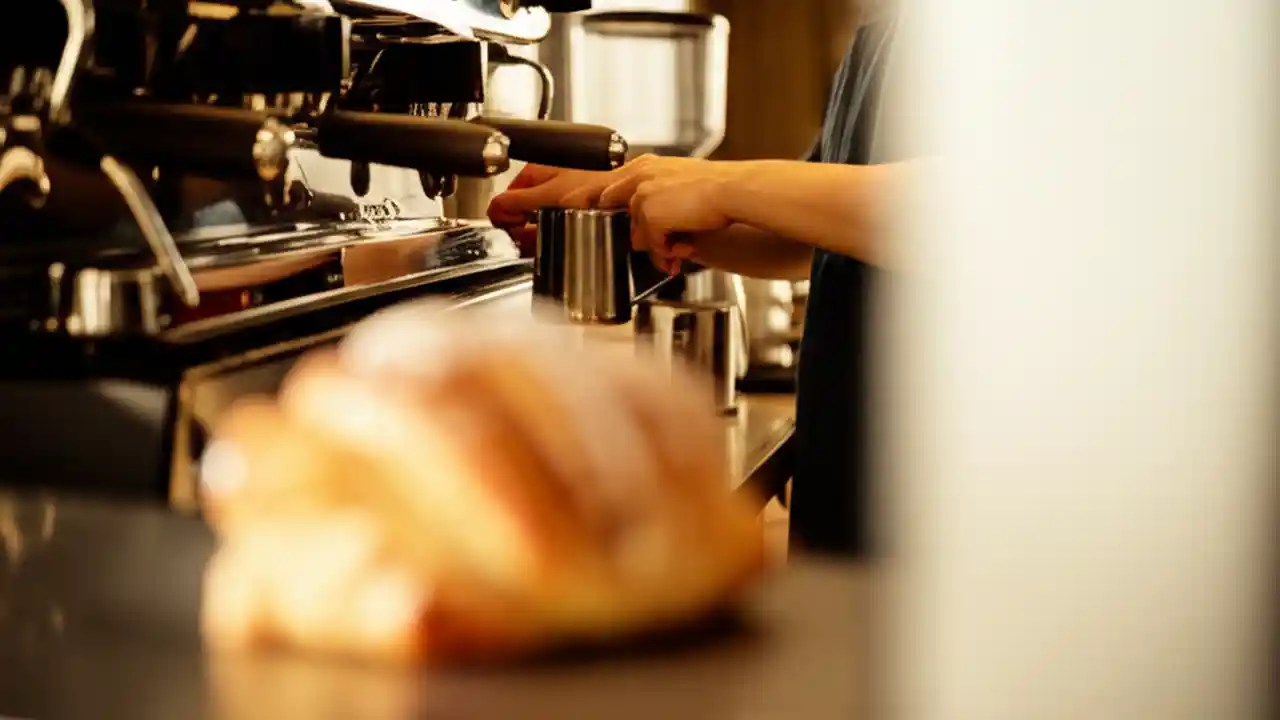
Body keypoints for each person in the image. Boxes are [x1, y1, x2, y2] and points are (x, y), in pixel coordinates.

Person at [488, 9, 907, 557]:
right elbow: (814, 228)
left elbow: (990, 210)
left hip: (964, 503)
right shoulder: (890, 25)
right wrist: (624, 196)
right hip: (853, 496)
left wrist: (719, 184)